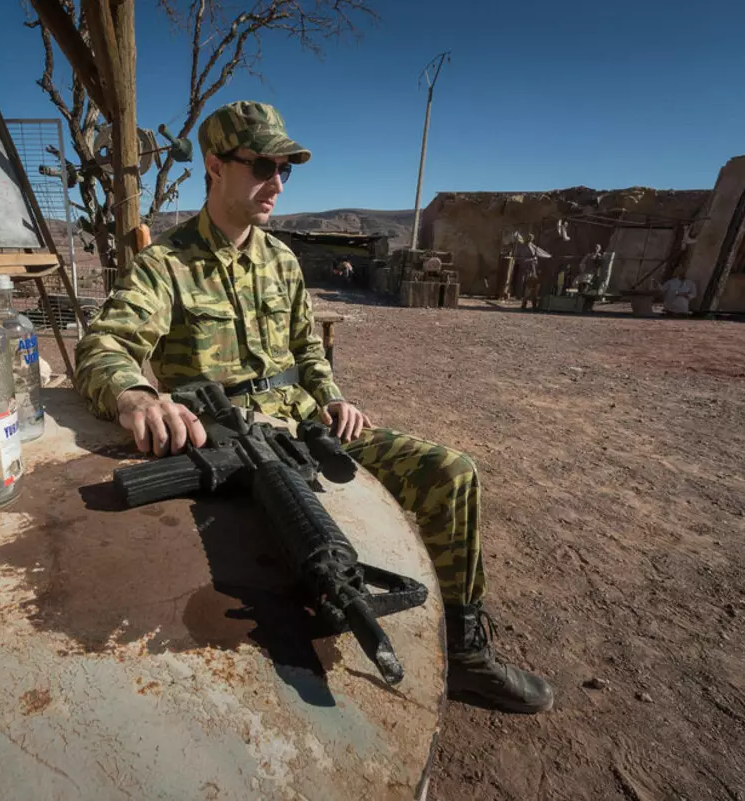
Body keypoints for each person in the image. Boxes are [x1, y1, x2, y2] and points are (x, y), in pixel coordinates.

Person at [73, 101, 553, 714]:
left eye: (286, 170)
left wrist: (333, 397)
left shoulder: (281, 261)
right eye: (263, 165)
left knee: (452, 473)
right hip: (228, 442)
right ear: (215, 167)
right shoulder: (166, 265)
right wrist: (132, 394)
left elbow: (308, 350)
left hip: (303, 424)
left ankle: (464, 654)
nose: (277, 182)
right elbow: (105, 344)